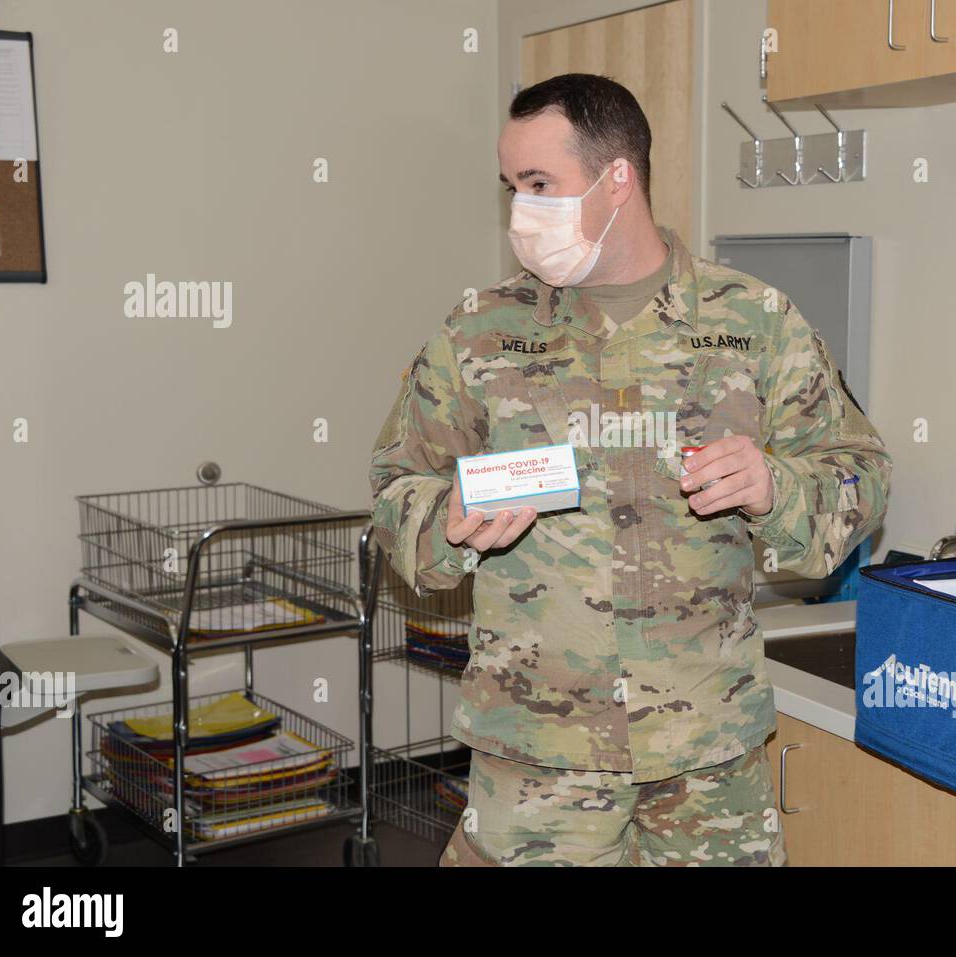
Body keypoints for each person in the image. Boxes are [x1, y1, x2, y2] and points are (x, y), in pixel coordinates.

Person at [369, 73, 891, 866]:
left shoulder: (754, 323)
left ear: (619, 180)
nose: (520, 210)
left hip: (707, 756)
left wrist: (776, 489)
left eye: (540, 184)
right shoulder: (480, 333)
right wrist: (442, 522)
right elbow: (394, 485)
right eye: (510, 186)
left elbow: (862, 474)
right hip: (538, 756)